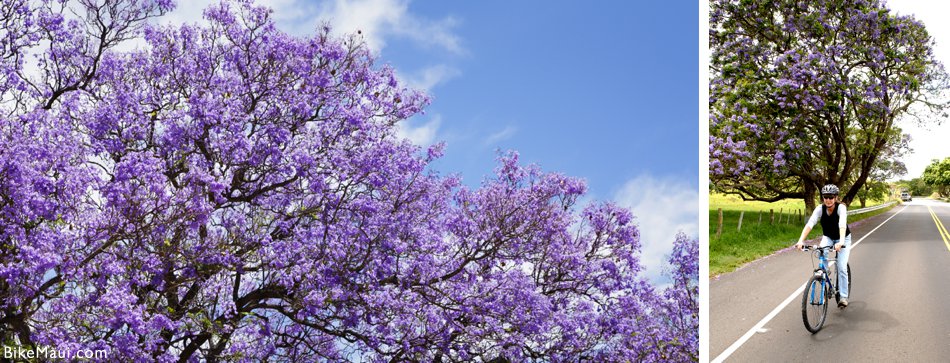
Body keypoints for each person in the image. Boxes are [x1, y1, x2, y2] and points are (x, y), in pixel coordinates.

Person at [795, 184, 852, 308]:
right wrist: (800, 241)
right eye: (826, 197)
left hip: (843, 238)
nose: (828, 200)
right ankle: (825, 274)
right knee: (821, 251)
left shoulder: (841, 208)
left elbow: (842, 224)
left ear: (836, 197)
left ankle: (843, 296)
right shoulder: (820, 209)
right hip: (828, 237)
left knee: (842, 267)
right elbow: (810, 223)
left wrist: (841, 242)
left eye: (831, 197)